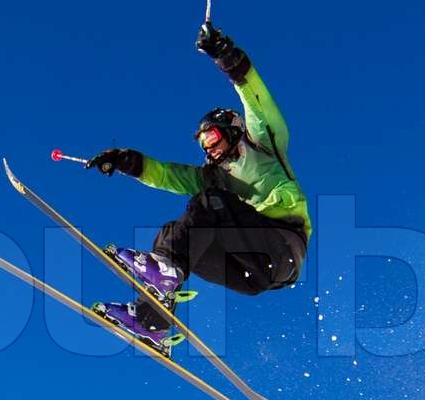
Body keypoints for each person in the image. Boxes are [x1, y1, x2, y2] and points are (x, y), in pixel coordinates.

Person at [85, 22, 311, 349]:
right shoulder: (212, 176)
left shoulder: (263, 144)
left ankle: (166, 270)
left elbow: (256, 99)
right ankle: (152, 323)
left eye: (212, 138)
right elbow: (166, 174)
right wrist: (124, 160)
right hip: (253, 272)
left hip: (282, 244)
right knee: (171, 234)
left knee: (208, 203)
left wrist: (225, 55)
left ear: (232, 130)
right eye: (203, 144)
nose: (209, 148)